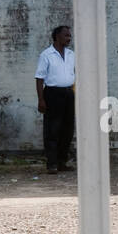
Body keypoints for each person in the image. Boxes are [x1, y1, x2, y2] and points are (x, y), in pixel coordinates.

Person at [35, 25, 76, 174]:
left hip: (68, 94)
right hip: (52, 94)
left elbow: (75, 74)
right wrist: (41, 100)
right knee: (52, 130)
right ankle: (51, 164)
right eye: (66, 35)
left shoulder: (72, 55)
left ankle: (62, 162)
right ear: (57, 36)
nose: (69, 38)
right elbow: (39, 78)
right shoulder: (46, 55)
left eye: (69, 35)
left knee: (68, 130)